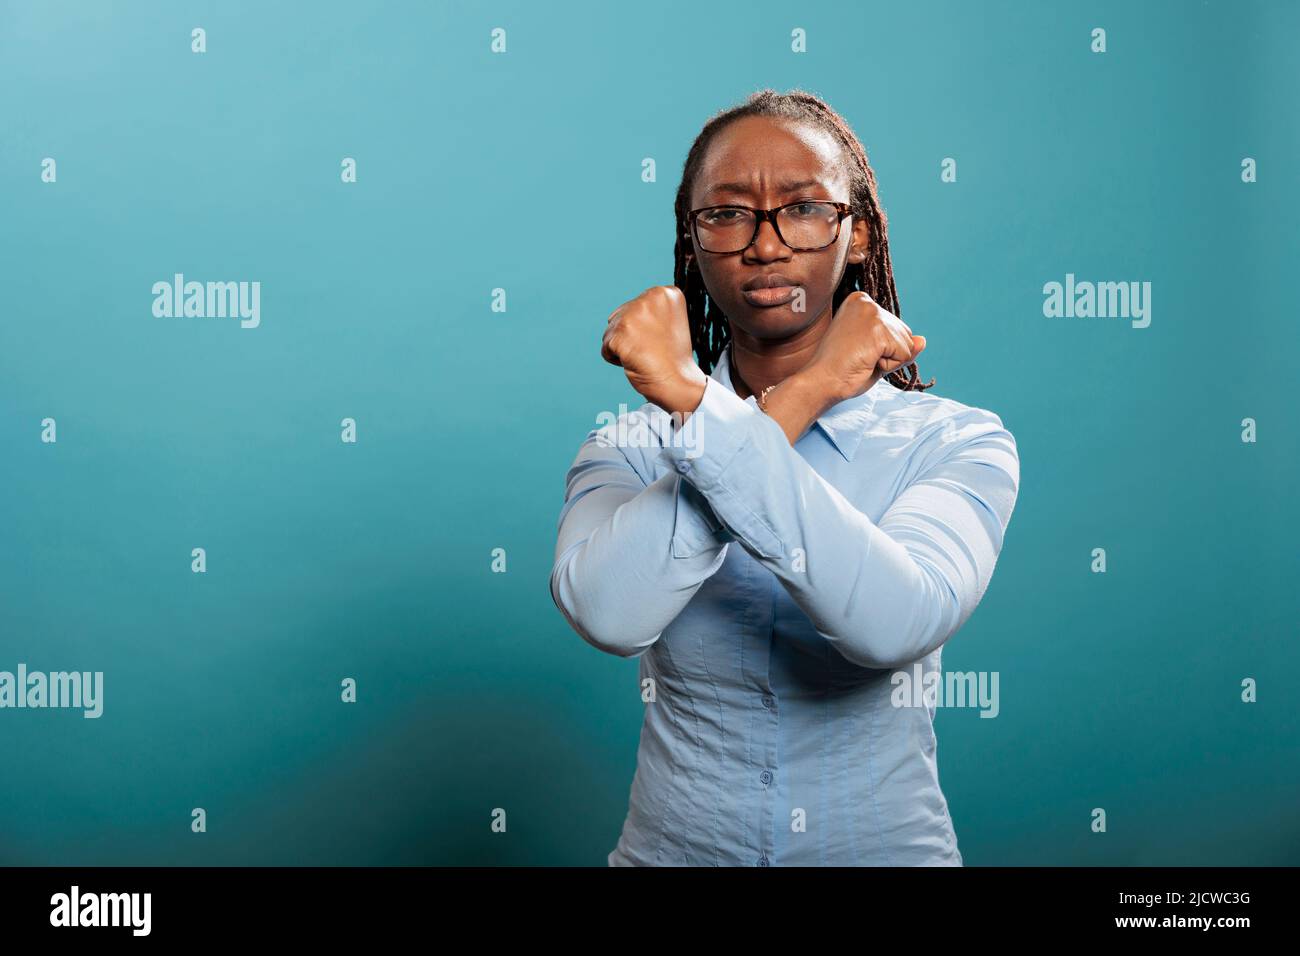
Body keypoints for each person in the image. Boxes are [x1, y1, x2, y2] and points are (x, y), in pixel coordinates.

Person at [550, 88, 1020, 866]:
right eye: (728, 214)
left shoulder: (955, 441)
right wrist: (803, 395)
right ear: (693, 240)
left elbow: (893, 624)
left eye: (804, 208)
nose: (765, 246)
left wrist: (707, 413)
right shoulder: (629, 447)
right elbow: (607, 614)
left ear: (858, 232)